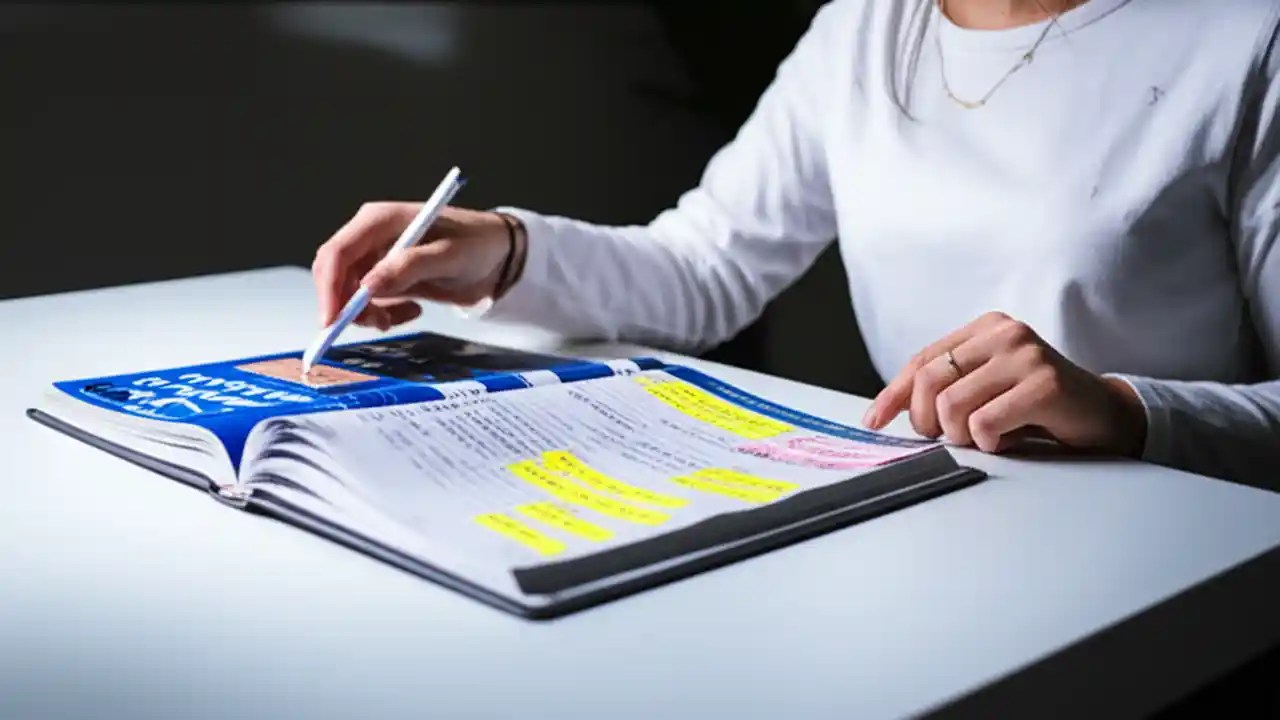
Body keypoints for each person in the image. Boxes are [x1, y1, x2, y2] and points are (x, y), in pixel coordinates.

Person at [311, 0, 1280, 489]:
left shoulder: (1242, 38)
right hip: (920, 521)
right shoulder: (861, 28)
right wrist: (502, 250)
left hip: (1179, 546)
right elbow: (705, 268)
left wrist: (1121, 410)